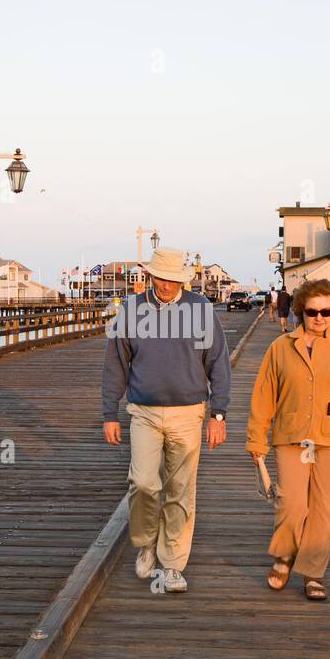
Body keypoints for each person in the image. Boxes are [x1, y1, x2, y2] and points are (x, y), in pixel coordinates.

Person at [102, 247, 230, 594]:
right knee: (143, 483)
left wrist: (218, 413)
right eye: (160, 277)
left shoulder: (200, 309)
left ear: (182, 280)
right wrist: (108, 413)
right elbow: (116, 362)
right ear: (150, 275)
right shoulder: (131, 310)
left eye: (173, 280)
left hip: (189, 412)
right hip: (143, 410)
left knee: (180, 490)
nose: (166, 285)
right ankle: (146, 542)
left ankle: (173, 564)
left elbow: (218, 362)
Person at [245, 277, 330, 600]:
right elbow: (264, 395)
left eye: (327, 311)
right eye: (312, 311)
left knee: (325, 508)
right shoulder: (280, 349)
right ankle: (284, 555)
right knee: (291, 503)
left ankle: (313, 571)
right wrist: (256, 439)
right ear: (300, 311)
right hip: (291, 436)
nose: (320, 318)